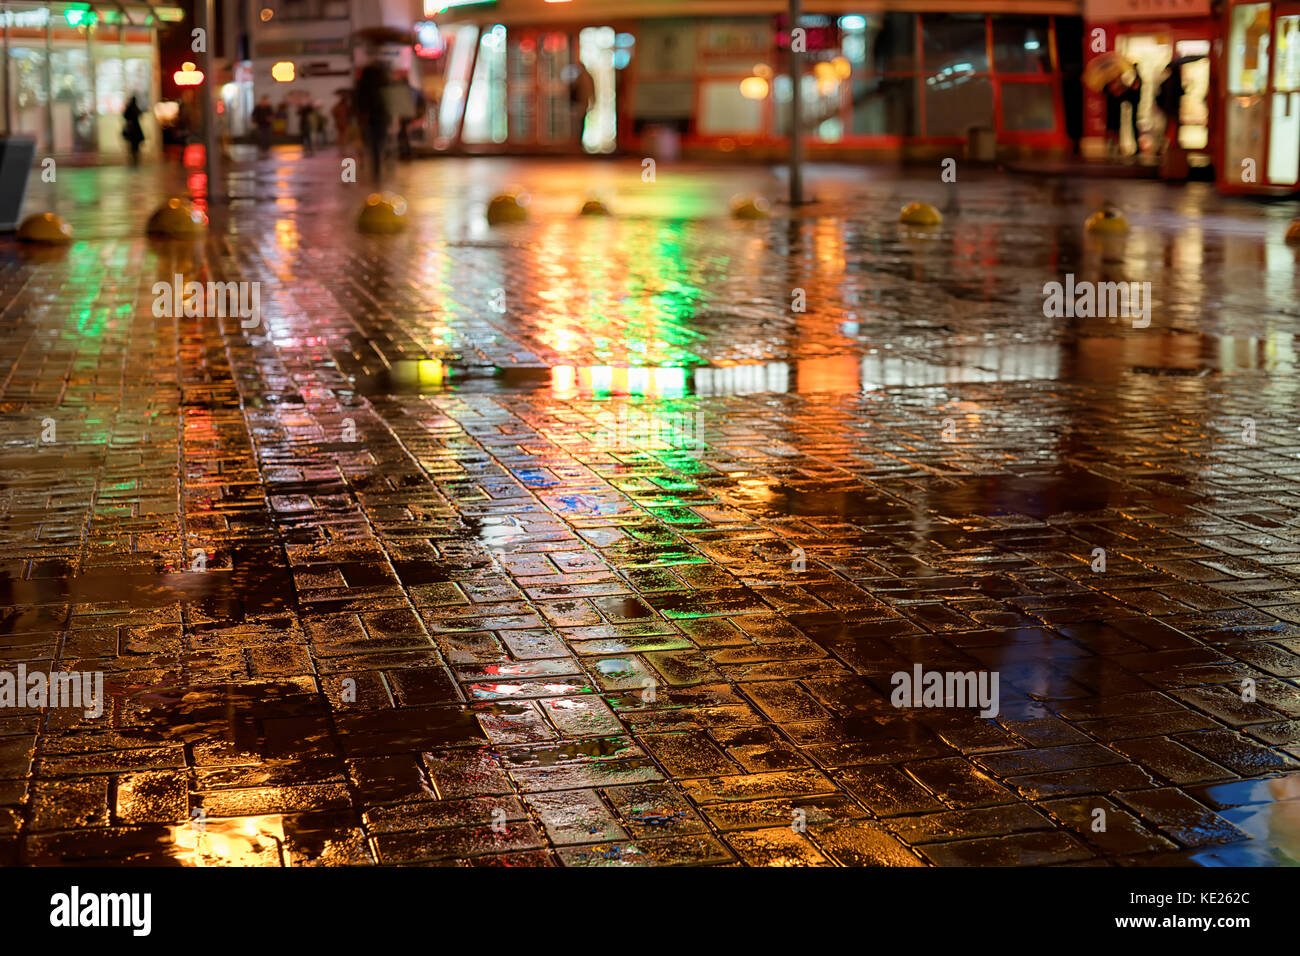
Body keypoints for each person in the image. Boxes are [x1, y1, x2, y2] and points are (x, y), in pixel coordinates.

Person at [355, 59, 392, 183]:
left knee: (372, 145)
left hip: (369, 119)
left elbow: (359, 103)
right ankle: (380, 166)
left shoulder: (362, 86)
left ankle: (375, 169)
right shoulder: (384, 85)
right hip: (381, 118)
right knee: (380, 142)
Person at [1156, 64, 1184, 154]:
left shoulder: (1167, 82)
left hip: (1168, 108)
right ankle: (1171, 145)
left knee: (1167, 127)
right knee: (1172, 126)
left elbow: (1159, 96)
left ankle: (1163, 146)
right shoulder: (1176, 82)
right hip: (1172, 108)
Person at [568, 60, 594, 147]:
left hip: (581, 104)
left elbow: (587, 92)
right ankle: (578, 141)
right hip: (582, 104)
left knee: (579, 123)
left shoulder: (582, 77)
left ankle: (578, 141)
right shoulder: (585, 77)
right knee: (580, 122)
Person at [1103, 78, 1124, 159]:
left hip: (1117, 111)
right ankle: (1109, 145)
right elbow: (1104, 92)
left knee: (1117, 129)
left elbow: (1122, 97)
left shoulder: (1120, 85)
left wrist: (1118, 91)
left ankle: (1117, 145)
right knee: (1110, 129)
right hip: (1110, 111)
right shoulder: (1107, 85)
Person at [122, 95, 145, 166]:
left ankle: (133, 160)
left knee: (132, 147)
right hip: (136, 131)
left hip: (131, 131)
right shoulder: (135, 108)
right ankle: (135, 161)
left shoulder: (130, 108)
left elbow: (125, 115)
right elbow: (140, 114)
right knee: (135, 147)